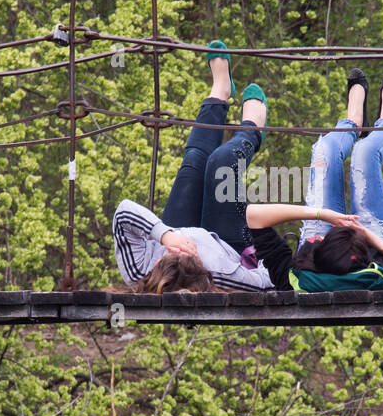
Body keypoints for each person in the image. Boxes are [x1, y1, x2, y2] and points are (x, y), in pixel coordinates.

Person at [112, 41, 357, 293]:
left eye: (173, 254)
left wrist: (167, 237)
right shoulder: (220, 275)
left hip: (178, 227)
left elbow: (123, 213)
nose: (186, 248)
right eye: (190, 256)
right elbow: (266, 281)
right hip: (227, 248)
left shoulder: (139, 268)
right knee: (223, 161)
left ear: (158, 261)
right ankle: (252, 129)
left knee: (194, 162)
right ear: (200, 266)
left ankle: (220, 90)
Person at [246, 68, 383, 291]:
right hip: (374, 244)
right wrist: (377, 242)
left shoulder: (296, 280)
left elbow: (253, 217)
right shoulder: (378, 278)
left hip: (334, 251)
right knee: (365, 155)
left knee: (324, 151)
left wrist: (321, 214)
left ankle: (353, 120)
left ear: (319, 251)